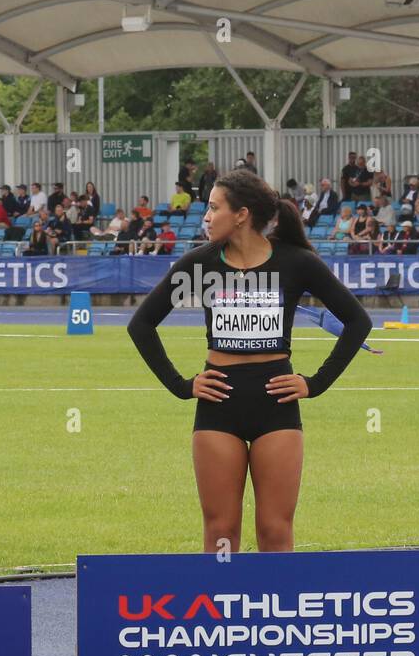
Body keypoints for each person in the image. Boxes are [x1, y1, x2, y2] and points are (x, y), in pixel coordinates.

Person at [127, 169, 372, 553]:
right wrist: (181, 385)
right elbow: (141, 325)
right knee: (221, 532)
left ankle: (275, 610)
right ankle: (220, 612)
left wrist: (315, 383)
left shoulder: (297, 262)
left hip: (276, 404)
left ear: (241, 215)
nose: (205, 217)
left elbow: (358, 321)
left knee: (275, 532)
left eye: (213, 208)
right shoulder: (199, 264)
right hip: (218, 405)